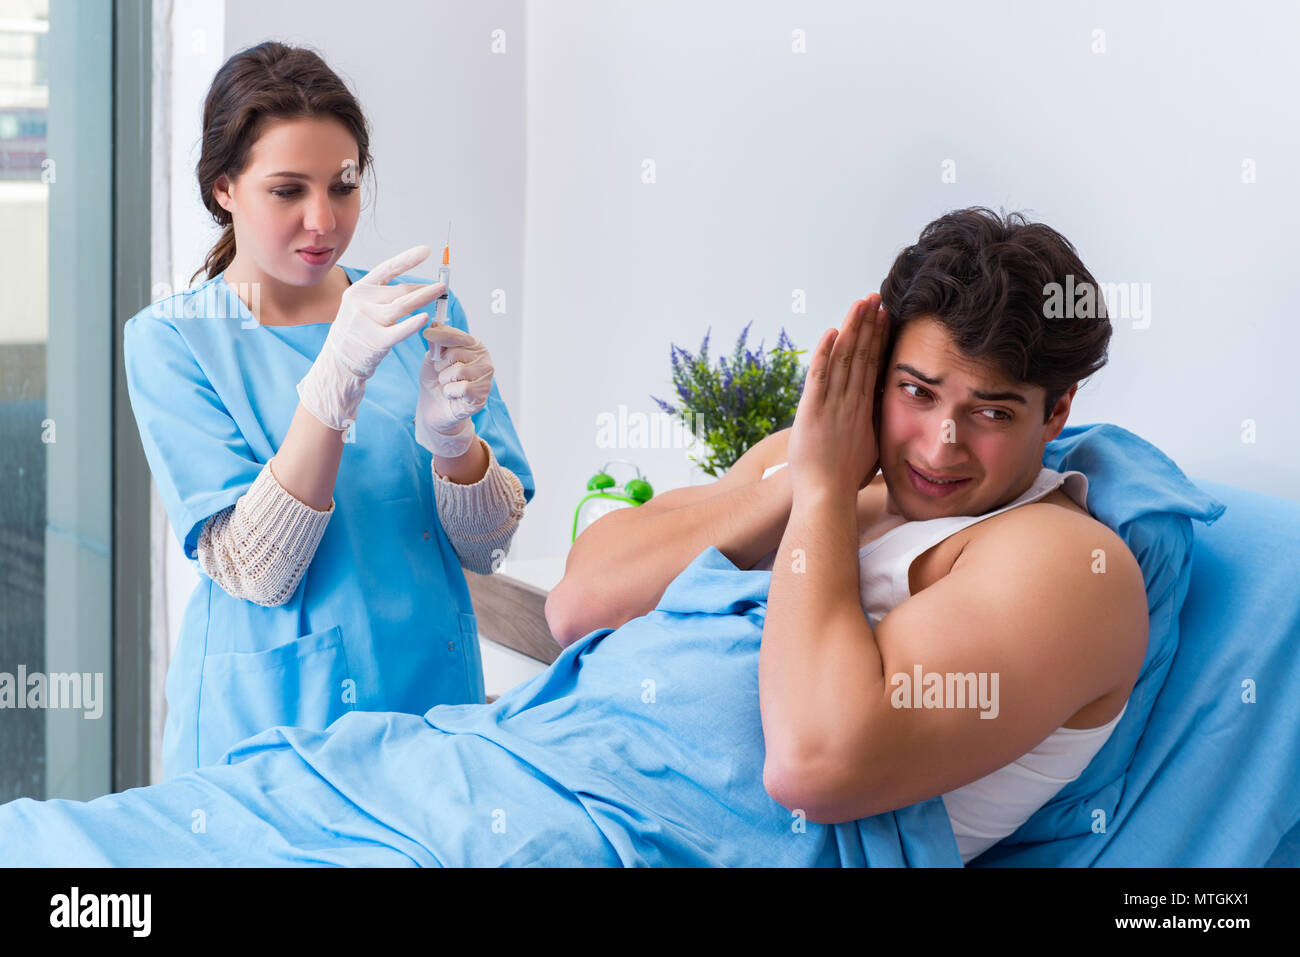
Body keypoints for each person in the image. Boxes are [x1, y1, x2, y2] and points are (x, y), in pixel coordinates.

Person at [549, 207, 1151, 863]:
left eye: (989, 411)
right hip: (539, 767)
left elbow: (812, 764)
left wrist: (823, 495)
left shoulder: (1064, 562)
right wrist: (804, 480)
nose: (939, 446)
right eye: (917, 392)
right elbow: (579, 605)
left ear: (1056, 411)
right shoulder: (822, 462)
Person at [125, 41, 533, 779]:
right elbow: (257, 569)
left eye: (342, 186)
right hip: (271, 727)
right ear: (224, 188)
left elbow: (488, 546)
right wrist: (333, 381)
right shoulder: (174, 340)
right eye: (287, 190)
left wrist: (454, 444)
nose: (323, 220)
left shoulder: (418, 314)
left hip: (434, 713)